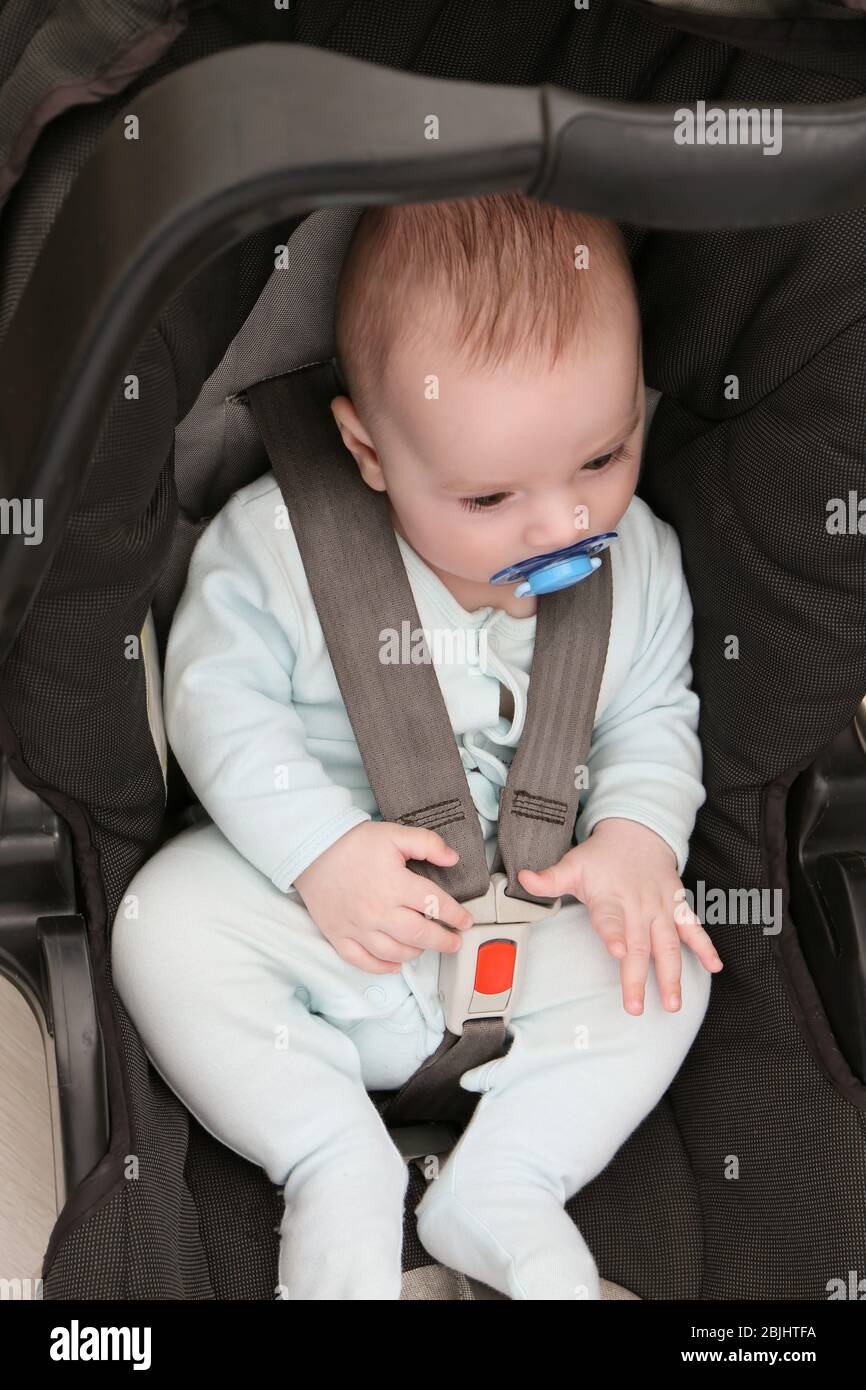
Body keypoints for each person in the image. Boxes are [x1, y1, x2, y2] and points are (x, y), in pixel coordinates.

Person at [111, 192, 722, 1301]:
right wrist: (319, 850)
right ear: (368, 449)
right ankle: (327, 1152)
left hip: (528, 928)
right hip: (319, 923)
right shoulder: (282, 547)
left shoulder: (638, 564)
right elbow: (217, 707)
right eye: (489, 494)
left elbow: (649, 720)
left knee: (668, 961)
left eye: (603, 455)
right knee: (165, 924)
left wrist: (636, 837)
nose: (561, 524)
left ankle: (506, 1182)